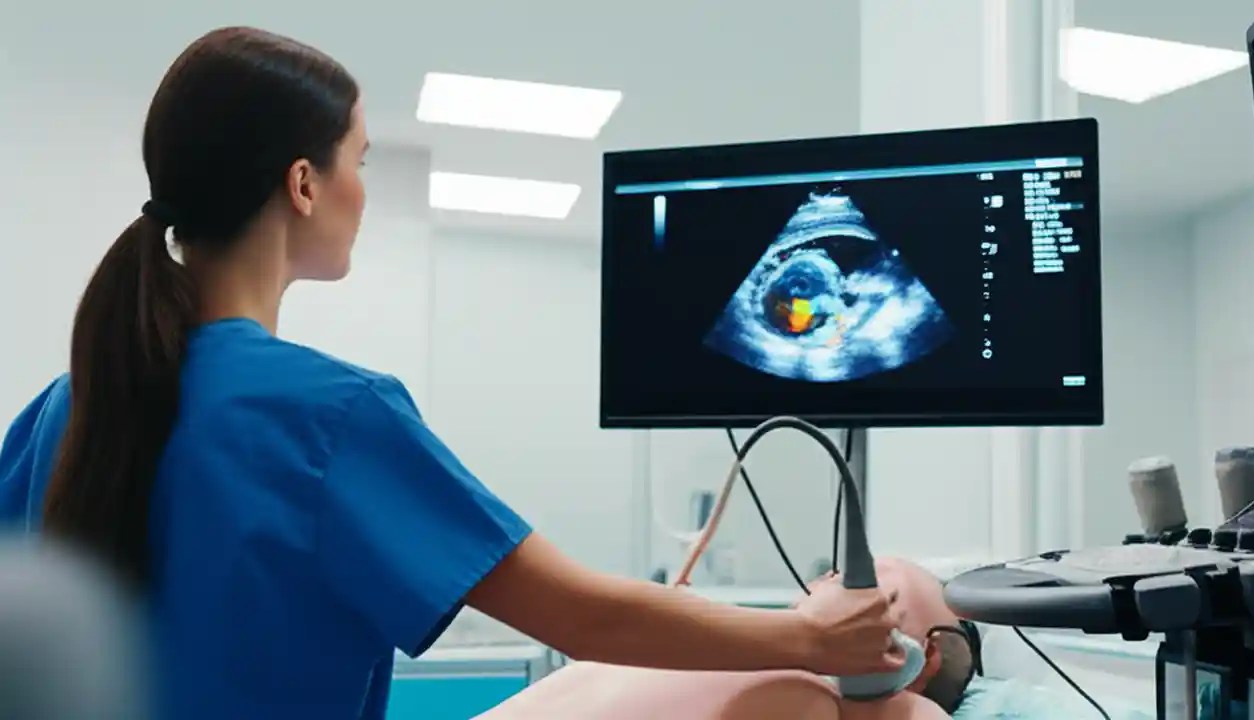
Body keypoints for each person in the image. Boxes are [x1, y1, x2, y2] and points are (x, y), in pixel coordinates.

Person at [0, 26, 907, 720]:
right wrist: (810, 635)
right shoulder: (332, 416)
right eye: (360, 160)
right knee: (794, 699)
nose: (364, 188)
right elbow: (579, 617)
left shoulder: (58, 407)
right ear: (303, 184)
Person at [475, 557, 980, 720]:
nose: (828, 586)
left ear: (922, 658)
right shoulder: (754, 664)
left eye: (872, 592)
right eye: (832, 575)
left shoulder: (807, 695)